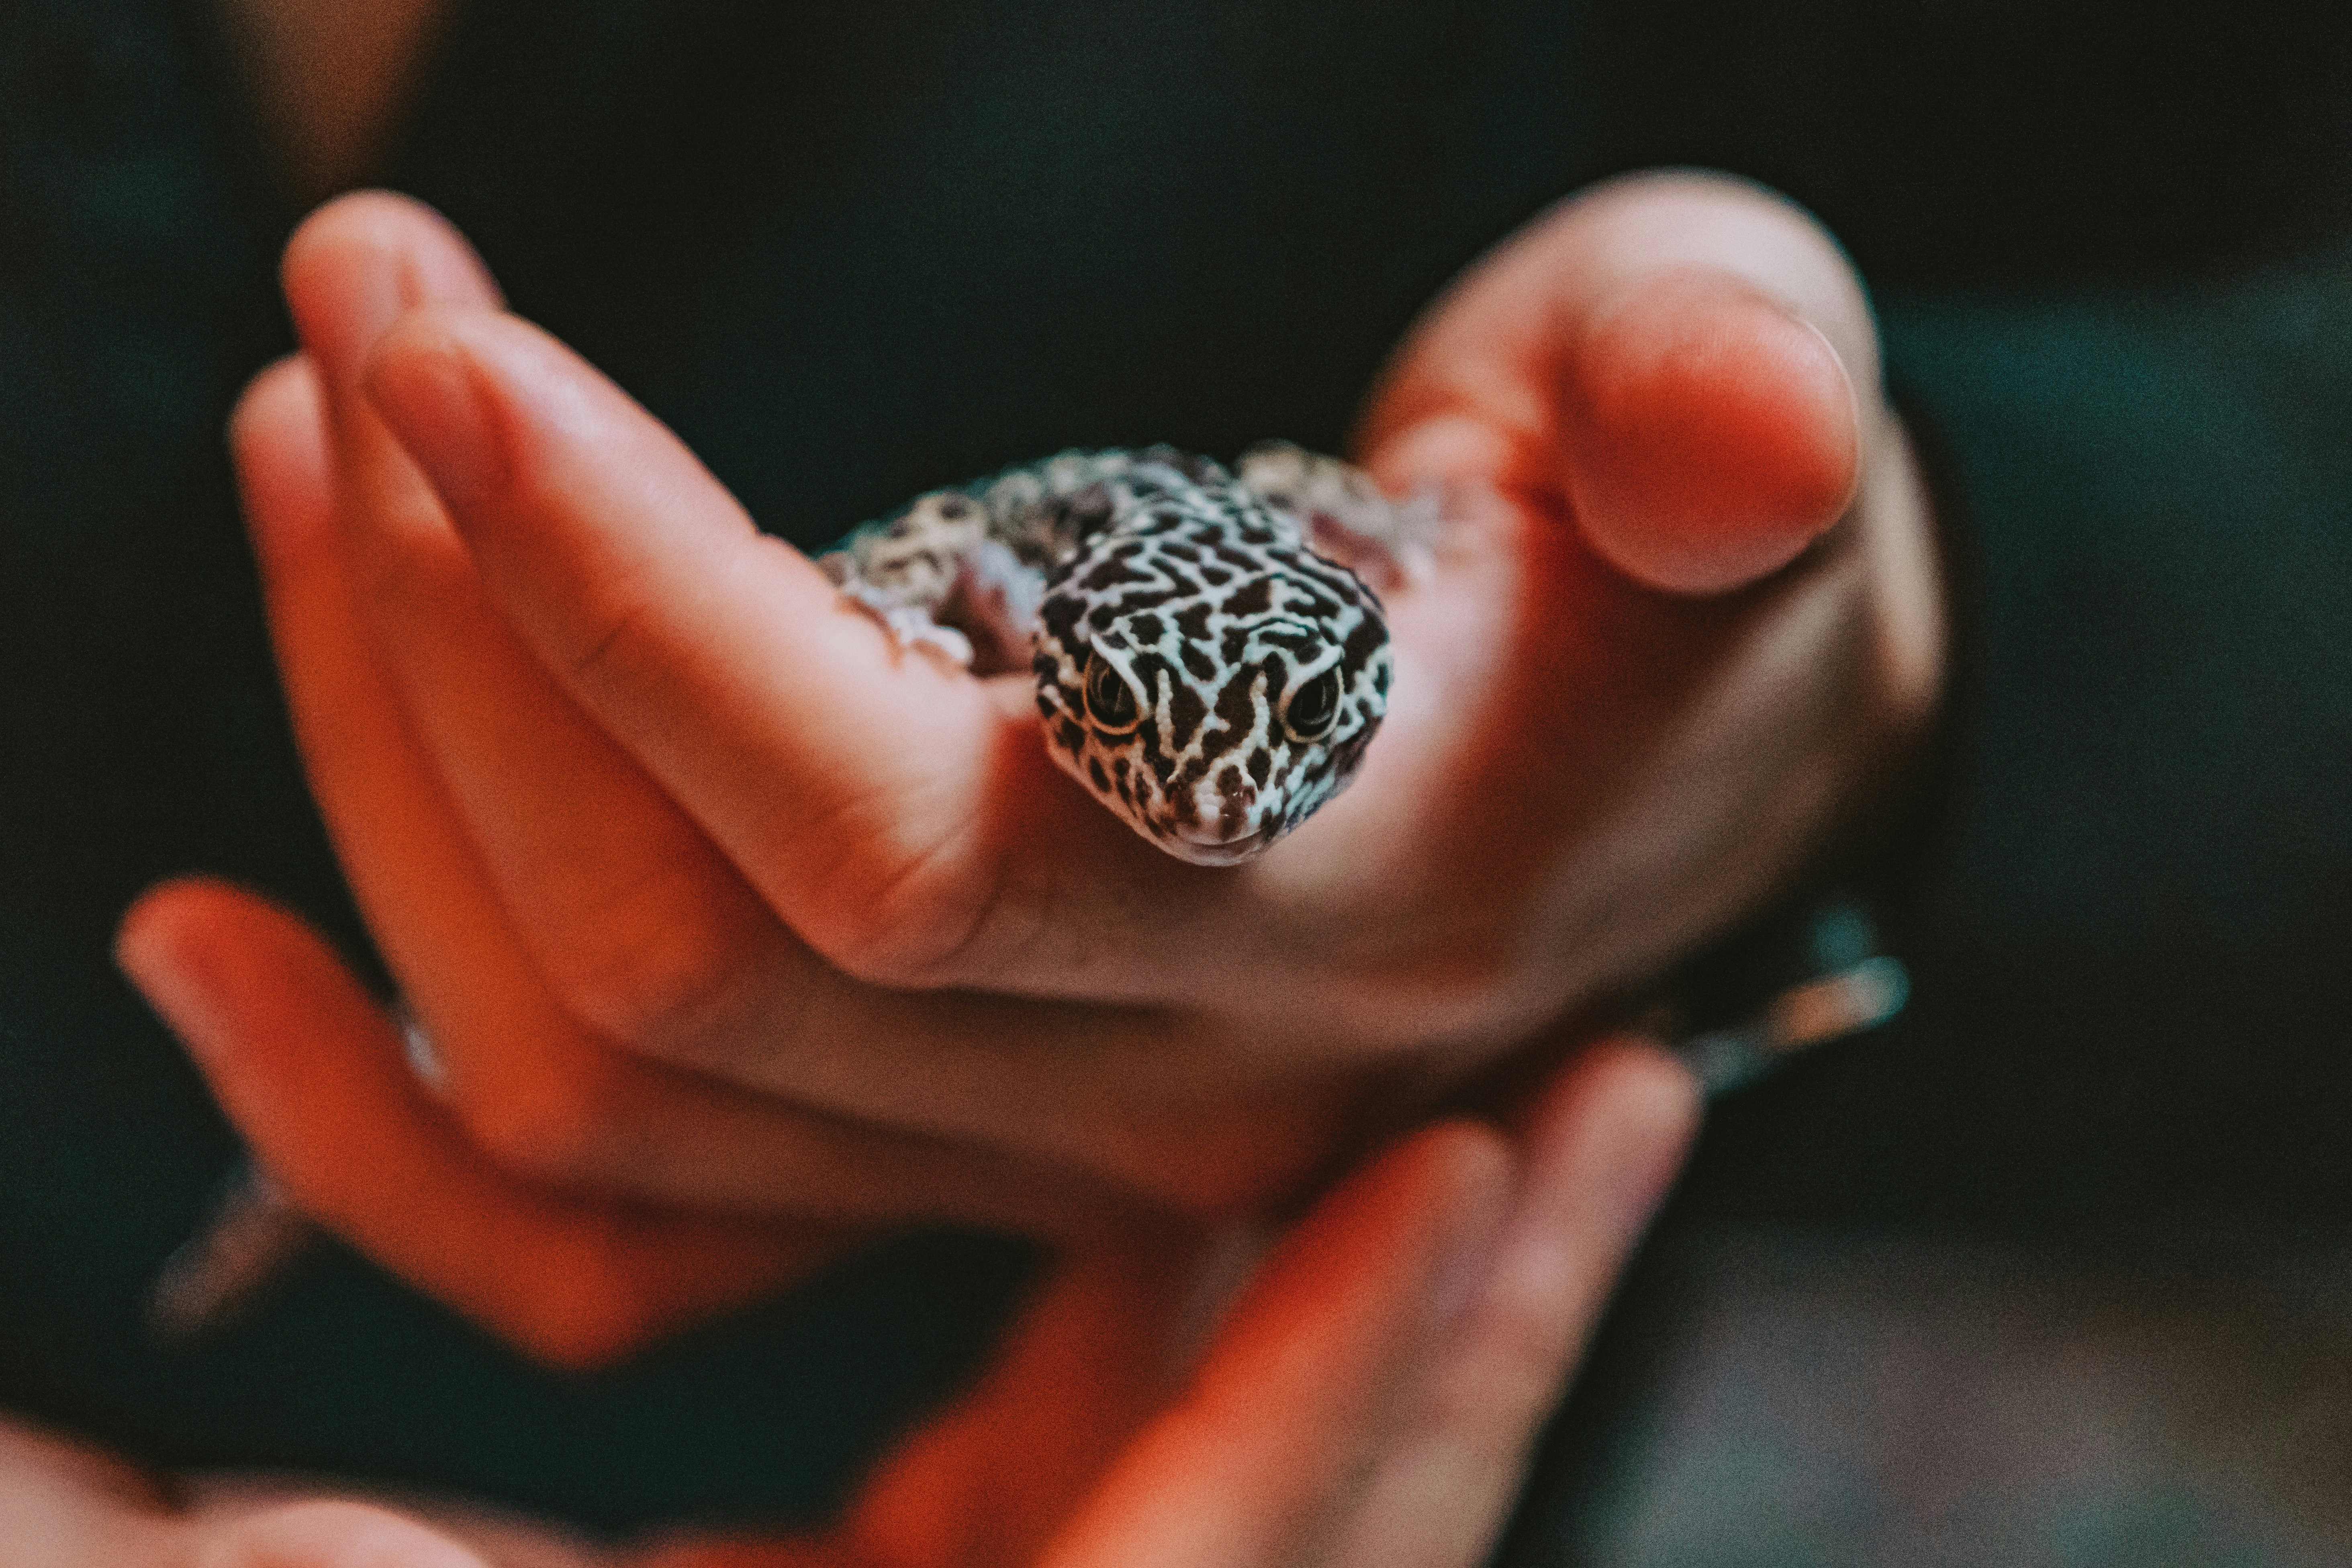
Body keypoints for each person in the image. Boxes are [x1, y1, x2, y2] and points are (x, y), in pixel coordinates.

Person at [6, 0, 2351, 1560]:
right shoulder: (1001, 597)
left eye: (1271, 766)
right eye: (1163, 758)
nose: (1214, 836)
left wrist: (1875, 667)